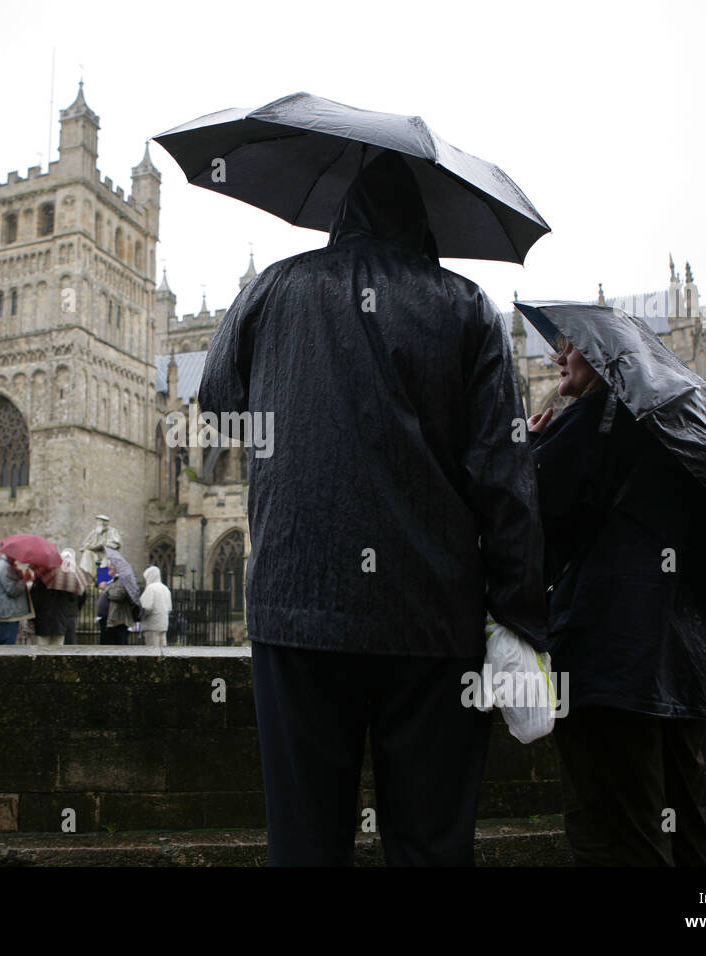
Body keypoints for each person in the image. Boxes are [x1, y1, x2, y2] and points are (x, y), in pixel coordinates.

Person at [197, 150, 547, 866]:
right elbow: (505, 478)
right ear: (425, 224)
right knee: (429, 842)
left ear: (339, 218)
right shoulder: (466, 305)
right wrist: (517, 617)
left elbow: (218, 404)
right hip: (430, 617)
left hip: (298, 605)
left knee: (304, 842)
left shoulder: (273, 288)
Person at [528, 335, 706, 867]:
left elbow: (531, 519)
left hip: (608, 660)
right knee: (684, 829)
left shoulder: (595, 421)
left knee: (614, 833)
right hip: (682, 662)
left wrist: (529, 451)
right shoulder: (690, 433)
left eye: (570, 348)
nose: (558, 358)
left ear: (606, 361)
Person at [0, 554, 33, 644]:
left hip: (5, 613)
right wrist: (24, 580)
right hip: (6, 615)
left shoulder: (6, 567)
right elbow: (12, 590)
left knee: (2, 645)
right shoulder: (4, 568)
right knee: (6, 647)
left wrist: (19, 576)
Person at [138, 565, 172, 648]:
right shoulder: (165, 588)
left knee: (152, 652)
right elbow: (169, 608)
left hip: (151, 625)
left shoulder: (150, 588)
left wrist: (140, 616)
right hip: (163, 625)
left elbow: (147, 607)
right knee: (162, 651)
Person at [78, 515, 121, 579]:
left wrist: (105, 545)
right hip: (95, 553)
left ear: (106, 523)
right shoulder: (94, 531)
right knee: (87, 554)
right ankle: (86, 575)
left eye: (102, 521)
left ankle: (103, 579)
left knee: (107, 559)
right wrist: (88, 546)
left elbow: (116, 544)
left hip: (105, 553)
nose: (100, 523)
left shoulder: (112, 531)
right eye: (99, 521)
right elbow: (85, 543)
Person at [102, 572, 137, 646]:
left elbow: (118, 595)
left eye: (111, 565)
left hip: (120, 620)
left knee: (121, 646)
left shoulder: (123, 581)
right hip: (112, 619)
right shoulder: (114, 581)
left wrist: (106, 590)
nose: (109, 567)